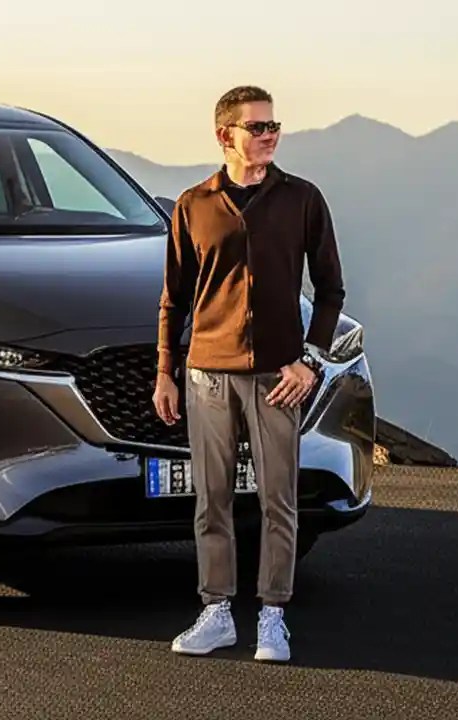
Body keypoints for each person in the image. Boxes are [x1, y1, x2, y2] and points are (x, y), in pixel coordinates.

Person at [152, 85, 345, 662]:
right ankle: (216, 612)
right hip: (206, 375)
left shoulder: (304, 200)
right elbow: (173, 300)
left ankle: (272, 616)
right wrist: (166, 372)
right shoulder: (193, 206)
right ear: (225, 136)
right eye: (256, 127)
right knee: (210, 500)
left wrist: (310, 362)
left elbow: (331, 290)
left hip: (278, 378)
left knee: (277, 501)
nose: (269, 135)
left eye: (273, 125)